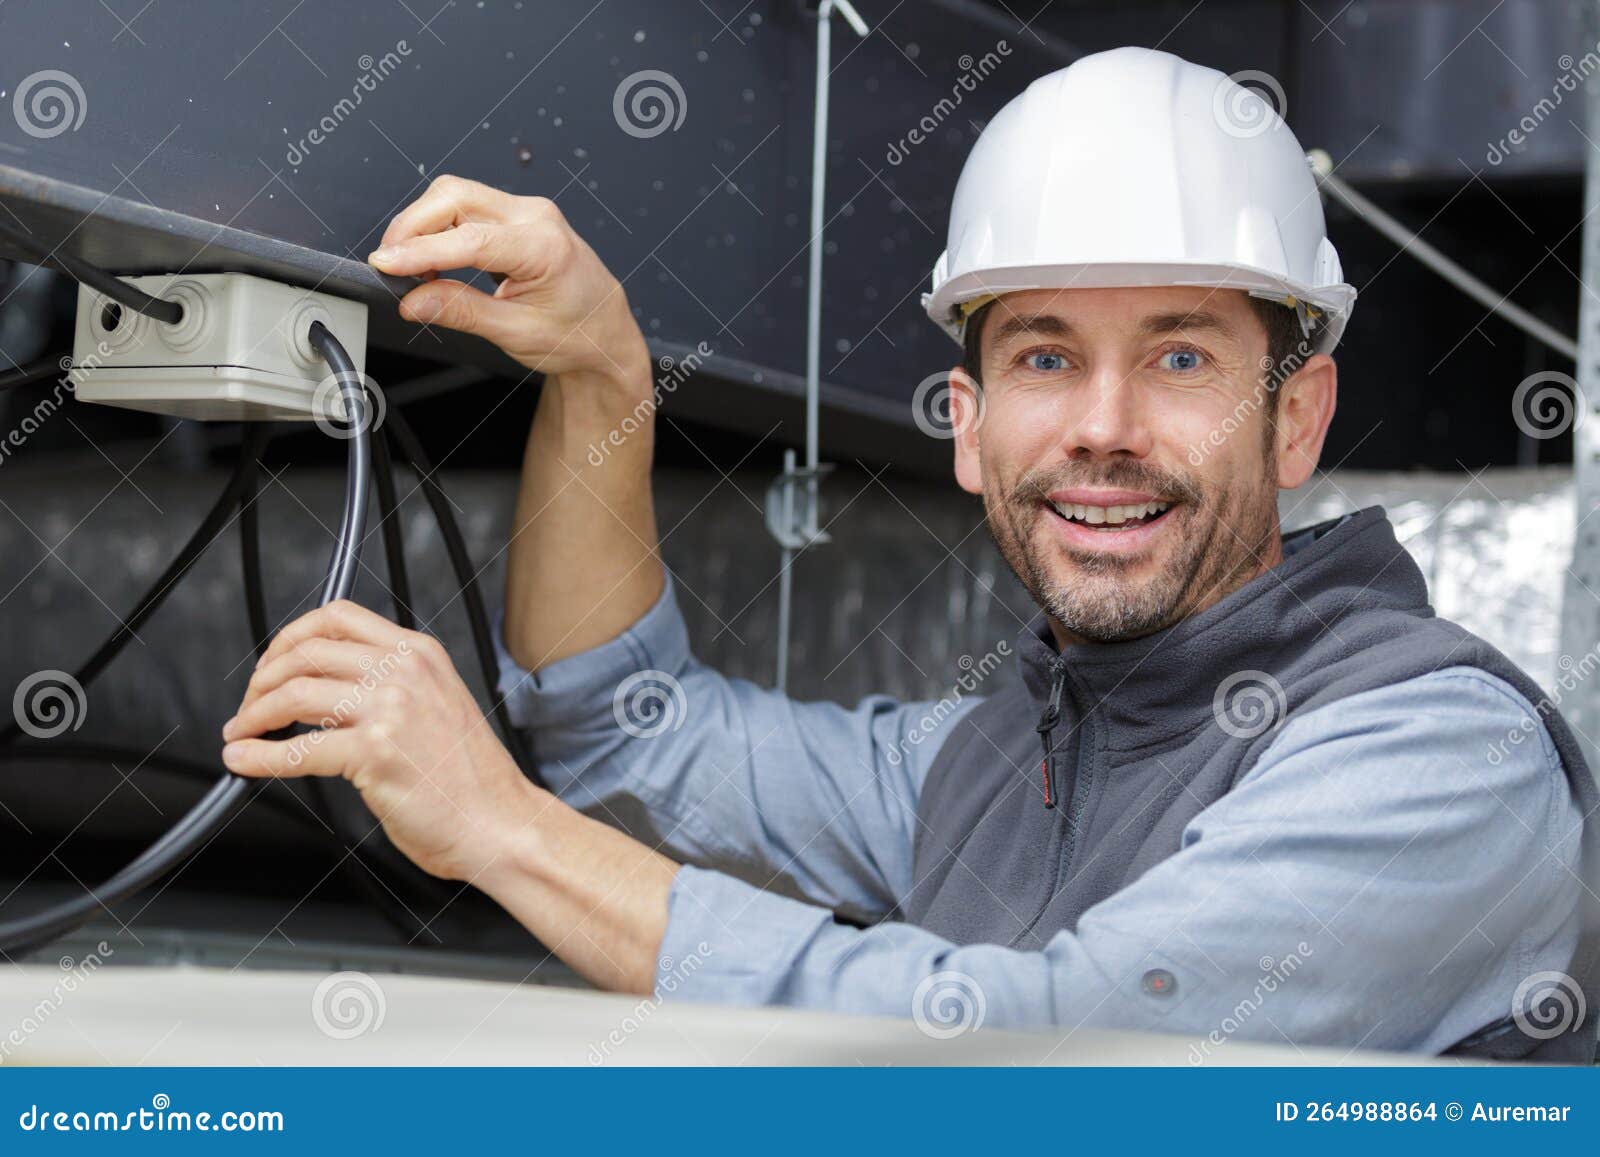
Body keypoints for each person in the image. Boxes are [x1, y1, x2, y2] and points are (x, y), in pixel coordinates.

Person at [220, 47, 1598, 1059]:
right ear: (972, 426)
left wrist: (504, 830)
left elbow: (1062, 1052)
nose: (1103, 430)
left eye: (1179, 355)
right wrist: (602, 374)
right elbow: (637, 742)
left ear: (1293, 418)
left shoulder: (1441, 753)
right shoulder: (993, 762)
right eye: (1046, 357)